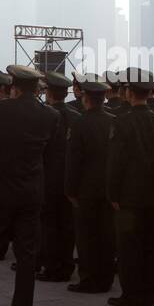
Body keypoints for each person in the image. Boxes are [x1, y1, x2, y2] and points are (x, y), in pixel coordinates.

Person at [0, 63, 59, 306]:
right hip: (31, 191)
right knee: (27, 254)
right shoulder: (50, 115)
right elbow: (51, 153)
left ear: (14, 87)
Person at [106, 68, 154, 306]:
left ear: (128, 92)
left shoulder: (121, 122)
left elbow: (115, 162)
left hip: (128, 196)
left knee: (129, 247)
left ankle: (131, 294)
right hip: (153, 195)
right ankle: (150, 293)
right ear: (151, 93)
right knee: (152, 245)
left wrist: (113, 193)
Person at [65, 78, 116, 293]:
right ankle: (106, 278)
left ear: (85, 99)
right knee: (107, 235)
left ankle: (89, 279)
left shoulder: (79, 123)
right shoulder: (115, 121)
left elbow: (74, 160)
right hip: (109, 187)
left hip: (86, 189)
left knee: (86, 236)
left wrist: (70, 189)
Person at [37, 71, 81, 281]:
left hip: (47, 178)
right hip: (71, 177)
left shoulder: (43, 115)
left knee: (49, 225)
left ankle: (52, 267)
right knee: (67, 224)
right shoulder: (76, 116)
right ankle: (66, 265)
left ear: (49, 93)